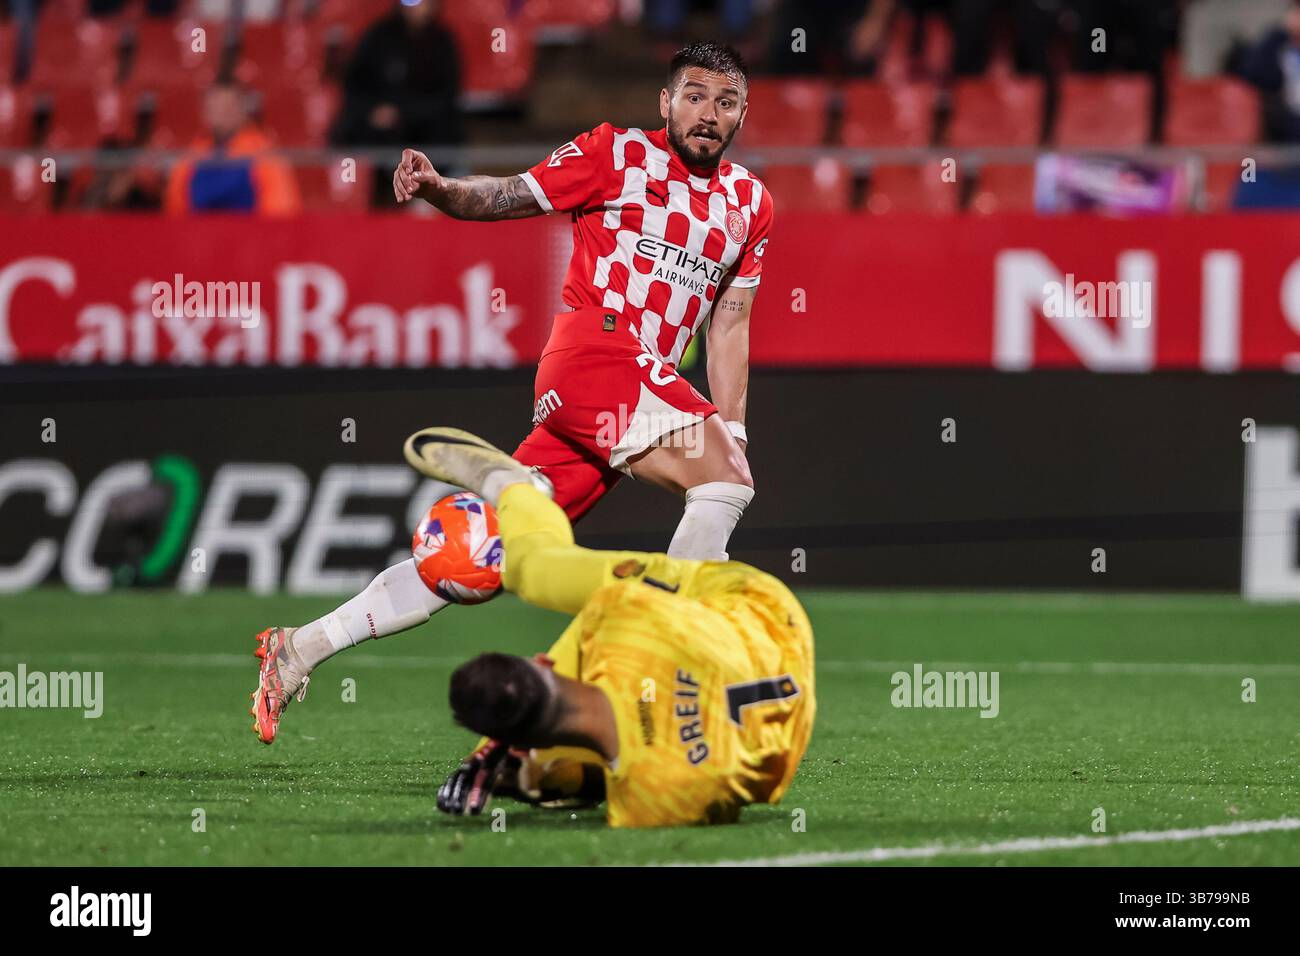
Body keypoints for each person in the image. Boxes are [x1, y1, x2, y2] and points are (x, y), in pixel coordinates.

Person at [250, 41, 772, 748]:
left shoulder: (750, 204)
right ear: (665, 103)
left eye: (726, 102)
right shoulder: (614, 153)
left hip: (634, 388)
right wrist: (441, 189)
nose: (709, 114)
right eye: (695, 96)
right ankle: (670, 668)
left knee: (481, 553)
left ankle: (300, 647)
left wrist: (732, 431)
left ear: (742, 114)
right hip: (597, 353)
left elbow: (730, 323)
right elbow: (505, 196)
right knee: (723, 483)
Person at [405, 426, 815, 827]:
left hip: (784, 712)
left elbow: (616, 769)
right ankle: (515, 489)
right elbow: (623, 633)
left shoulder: (653, 798)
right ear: (544, 663)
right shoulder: (620, 624)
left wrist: (525, 768)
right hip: (761, 610)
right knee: (532, 570)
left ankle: (518, 495)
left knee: (555, 775)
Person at [164, 82, 300, 216]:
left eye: (228, 108)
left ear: (242, 111)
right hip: (198, 233)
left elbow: (280, 210)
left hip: (250, 234)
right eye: (213, 108)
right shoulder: (192, 155)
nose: (220, 115)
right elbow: (176, 207)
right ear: (204, 113)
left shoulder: (264, 152)